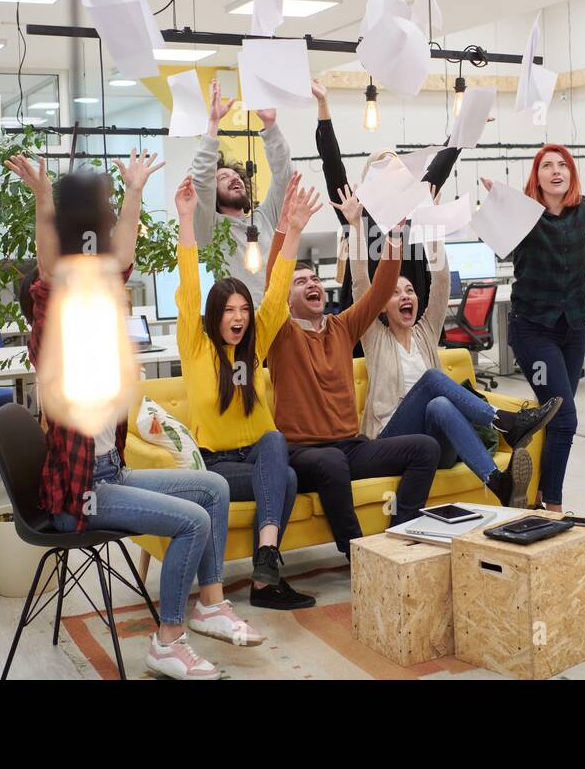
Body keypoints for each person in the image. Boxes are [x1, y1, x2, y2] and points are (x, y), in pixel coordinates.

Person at [6, 149, 258, 681]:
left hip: (110, 475)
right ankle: (168, 640)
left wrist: (136, 191)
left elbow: (117, 262)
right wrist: (44, 195)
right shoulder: (53, 335)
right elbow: (53, 271)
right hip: (82, 495)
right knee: (193, 520)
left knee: (211, 486)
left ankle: (210, 605)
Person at [340, 185, 561, 507]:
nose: (405, 296)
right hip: (389, 438)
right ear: (381, 305)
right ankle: (503, 421)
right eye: (395, 292)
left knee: (439, 405)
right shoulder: (374, 338)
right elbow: (361, 284)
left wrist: (432, 225)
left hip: (434, 440)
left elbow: (440, 281)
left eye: (410, 290)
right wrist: (356, 224)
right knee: (432, 382)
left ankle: (498, 482)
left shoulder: (426, 332)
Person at [174, 171, 325, 611]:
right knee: (289, 478)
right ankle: (266, 579)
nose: (239, 318)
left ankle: (265, 559)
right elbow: (189, 285)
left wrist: (293, 230)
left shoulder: (254, 346)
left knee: (276, 441)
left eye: (244, 310)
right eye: (229, 311)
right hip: (217, 465)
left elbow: (277, 293)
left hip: (258, 455)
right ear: (214, 316)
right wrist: (187, 219)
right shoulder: (196, 345)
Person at [262, 203, 441, 558]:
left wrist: (393, 238)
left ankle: (400, 534)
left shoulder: (342, 326)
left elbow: (381, 289)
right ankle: (357, 553)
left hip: (351, 446)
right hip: (305, 452)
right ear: (287, 298)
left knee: (425, 448)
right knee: (330, 462)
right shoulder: (281, 333)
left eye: (315, 280)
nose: (312, 284)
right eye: (300, 283)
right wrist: (285, 231)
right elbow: (271, 285)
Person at [484, 146, 585, 512]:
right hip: (532, 331)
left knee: (552, 415)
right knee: (564, 415)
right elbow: (495, 244)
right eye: (547, 166)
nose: (556, 171)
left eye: (563, 165)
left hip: (572, 328)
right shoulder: (524, 215)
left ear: (572, 174)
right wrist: (498, 208)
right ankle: (553, 506)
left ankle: (535, 494)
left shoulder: (582, 210)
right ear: (536, 176)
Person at [313, 80, 461, 312]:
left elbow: (440, 165)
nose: (390, 173)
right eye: (381, 167)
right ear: (366, 182)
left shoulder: (414, 207)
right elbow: (333, 165)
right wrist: (323, 107)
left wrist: (464, 127)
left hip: (413, 317)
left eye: (396, 167)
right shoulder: (356, 213)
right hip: (368, 322)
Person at [188, 79, 294, 304]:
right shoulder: (210, 228)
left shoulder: (265, 218)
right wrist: (213, 123)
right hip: (239, 324)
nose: (234, 178)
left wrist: (270, 127)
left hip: (278, 320)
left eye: (236, 176)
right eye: (223, 177)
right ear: (213, 195)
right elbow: (201, 181)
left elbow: (284, 177)